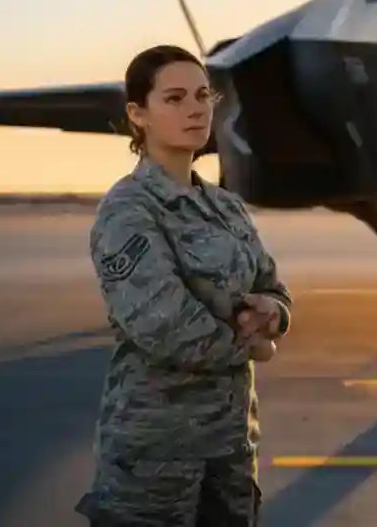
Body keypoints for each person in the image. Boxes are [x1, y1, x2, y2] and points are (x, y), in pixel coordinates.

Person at [75, 44, 292, 526]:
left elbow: (272, 285)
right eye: (174, 99)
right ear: (138, 114)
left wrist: (274, 312)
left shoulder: (226, 207)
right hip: (154, 462)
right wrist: (257, 347)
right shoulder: (128, 209)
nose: (195, 109)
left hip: (230, 455)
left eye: (202, 95)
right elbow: (165, 324)